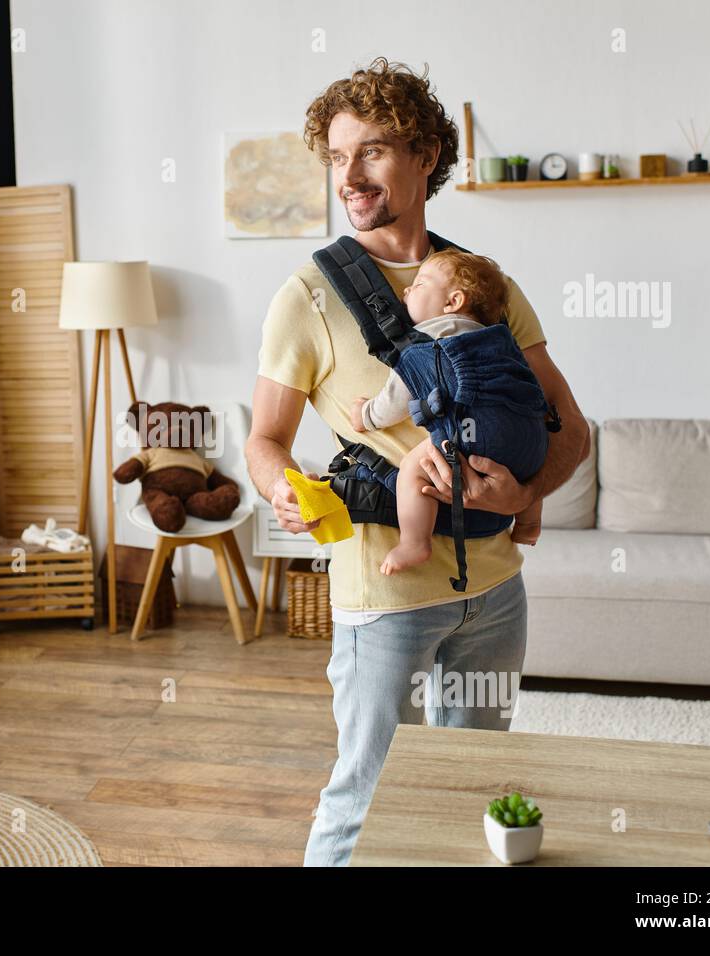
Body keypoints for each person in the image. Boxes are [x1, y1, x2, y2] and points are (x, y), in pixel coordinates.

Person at [243, 57, 589, 866]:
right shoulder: (309, 295)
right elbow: (264, 440)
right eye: (337, 157)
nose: (349, 176)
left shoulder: (485, 286)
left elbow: (571, 427)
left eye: (370, 151)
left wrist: (526, 492)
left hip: (495, 594)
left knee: (474, 793)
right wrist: (282, 490)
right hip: (385, 596)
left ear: (426, 155)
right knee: (363, 798)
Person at [349, 248, 550, 577]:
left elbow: (397, 397)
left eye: (419, 284)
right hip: (530, 438)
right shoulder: (501, 340)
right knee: (525, 464)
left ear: (452, 302)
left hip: (476, 437)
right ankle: (528, 523)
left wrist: (366, 415)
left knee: (413, 468)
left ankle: (415, 542)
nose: (406, 290)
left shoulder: (428, 340)